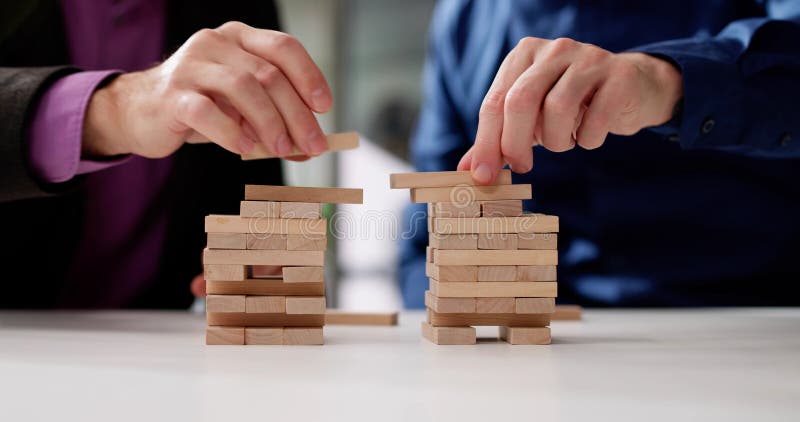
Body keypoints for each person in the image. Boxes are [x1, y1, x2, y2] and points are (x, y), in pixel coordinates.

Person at [400, 0, 800, 307]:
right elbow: (428, 232)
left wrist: (665, 80)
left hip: (758, 311)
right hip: (559, 335)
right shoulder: (466, 17)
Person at [0, 1, 331, 308]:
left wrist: (267, 271)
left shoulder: (238, 7)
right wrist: (115, 109)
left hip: (162, 349)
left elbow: (252, 201)